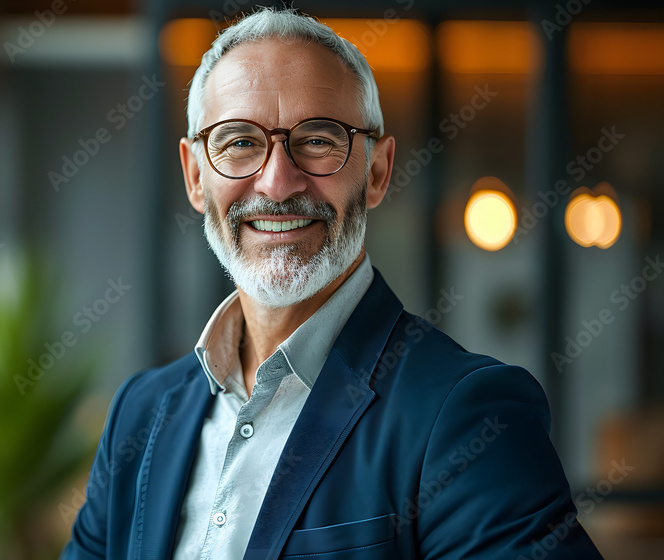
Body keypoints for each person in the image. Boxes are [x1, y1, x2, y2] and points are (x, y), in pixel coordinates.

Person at [61, 7, 605, 559]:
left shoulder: (468, 415)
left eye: (318, 139)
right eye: (239, 142)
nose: (276, 184)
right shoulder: (140, 413)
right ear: (195, 176)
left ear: (376, 172)